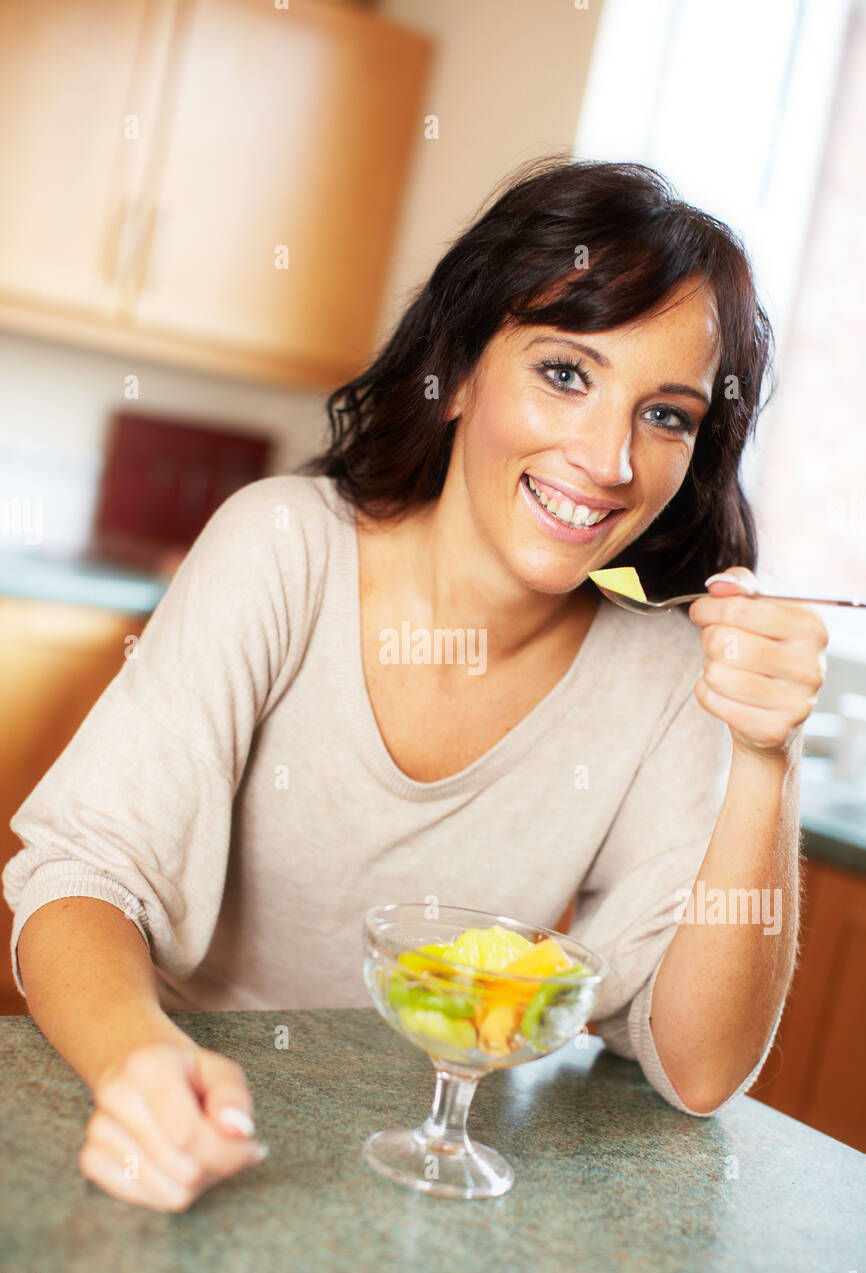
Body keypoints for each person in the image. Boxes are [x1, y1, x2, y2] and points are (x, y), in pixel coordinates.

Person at [2, 157, 828, 1212]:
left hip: (432, 1176)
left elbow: (699, 1068)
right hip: (187, 1134)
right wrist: (137, 1062)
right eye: (565, 374)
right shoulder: (284, 550)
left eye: (664, 415)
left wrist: (764, 753)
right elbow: (83, 874)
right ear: (460, 370)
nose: (608, 457)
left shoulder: (669, 669)